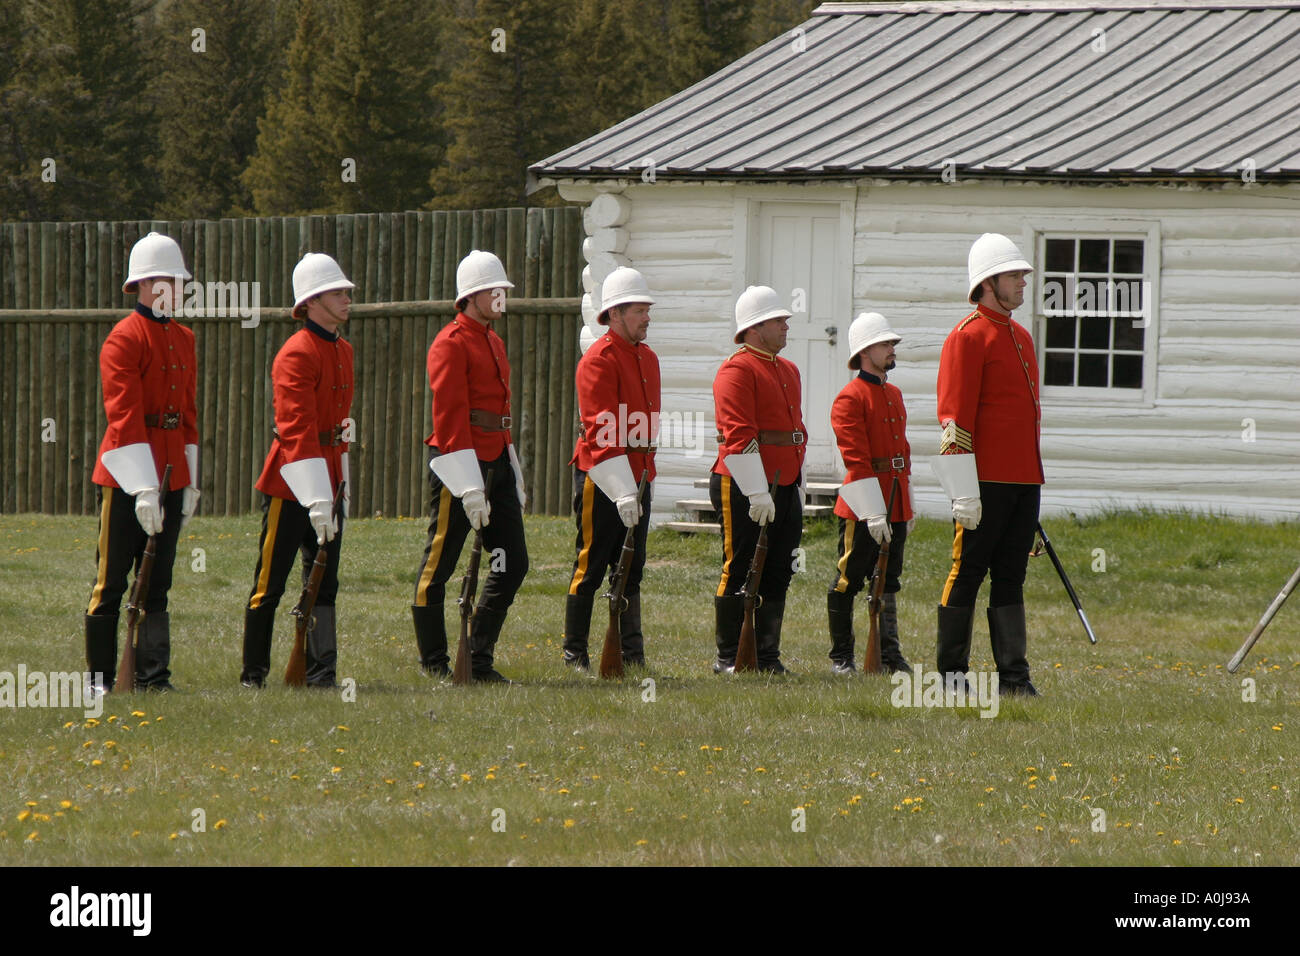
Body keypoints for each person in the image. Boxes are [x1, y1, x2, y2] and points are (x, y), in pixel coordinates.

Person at [85, 232, 200, 693]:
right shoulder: (123, 338)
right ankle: (98, 679)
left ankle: (154, 676)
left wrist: (188, 480)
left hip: (171, 465)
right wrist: (143, 488)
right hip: (127, 472)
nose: (180, 287)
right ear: (148, 284)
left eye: (181, 280)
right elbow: (124, 416)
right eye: (172, 280)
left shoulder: (184, 338)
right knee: (111, 582)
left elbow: (188, 413)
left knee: (158, 580)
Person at [933, 233, 1044, 696]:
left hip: (1023, 479)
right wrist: (962, 491)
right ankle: (951, 679)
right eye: (1014, 275)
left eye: (1022, 275)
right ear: (987, 281)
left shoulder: (1021, 337)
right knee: (968, 572)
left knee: (1012, 576)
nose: (1023, 282)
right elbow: (954, 419)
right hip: (983, 482)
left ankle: (1013, 679)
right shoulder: (967, 337)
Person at [411, 250, 529, 683]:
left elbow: (501, 412)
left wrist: (511, 469)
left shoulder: (493, 341)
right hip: (457, 462)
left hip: (495, 457)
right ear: (472, 295)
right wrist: (469, 485)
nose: (501, 298)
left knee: (511, 562)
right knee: (439, 564)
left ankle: (476, 657)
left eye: (502, 291)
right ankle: (434, 661)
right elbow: (450, 417)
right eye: (494, 291)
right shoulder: (450, 343)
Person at [240, 253, 354, 689]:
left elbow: (339, 426)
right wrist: (316, 496)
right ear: (312, 300)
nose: (347, 299)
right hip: (292, 481)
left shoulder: (343, 350)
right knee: (270, 581)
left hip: (330, 475)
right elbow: (296, 429)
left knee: (324, 581)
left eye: (346, 292)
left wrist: (338, 485)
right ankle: (254, 675)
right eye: (338, 292)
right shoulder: (296, 352)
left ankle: (320, 672)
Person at [562, 267, 659, 670]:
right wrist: (620, 488)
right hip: (602, 475)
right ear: (616, 313)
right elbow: (601, 428)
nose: (647, 317)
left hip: (639, 473)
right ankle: (575, 653)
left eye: (647, 310)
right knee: (592, 562)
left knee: (632, 565)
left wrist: (642, 478)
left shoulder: (648, 358)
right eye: (640, 310)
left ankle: (630, 653)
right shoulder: (597, 359)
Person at [710, 286, 806, 674]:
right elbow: (737, 435)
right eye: (778, 320)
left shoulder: (788, 370)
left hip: (784, 481)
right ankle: (728, 656)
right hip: (744, 483)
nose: (786, 326)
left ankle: (766, 655)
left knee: (780, 566)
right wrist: (755, 490)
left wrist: (795, 483)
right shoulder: (736, 369)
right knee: (740, 565)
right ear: (755, 327)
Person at [827, 312, 914, 675]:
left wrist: (907, 504)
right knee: (849, 577)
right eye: (885, 344)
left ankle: (889, 655)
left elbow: (902, 453)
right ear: (865, 351)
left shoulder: (893, 393)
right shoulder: (850, 397)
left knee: (888, 579)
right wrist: (872, 510)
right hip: (864, 502)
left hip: (895, 498)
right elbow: (856, 459)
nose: (892, 349)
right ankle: (842, 657)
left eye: (892, 343)